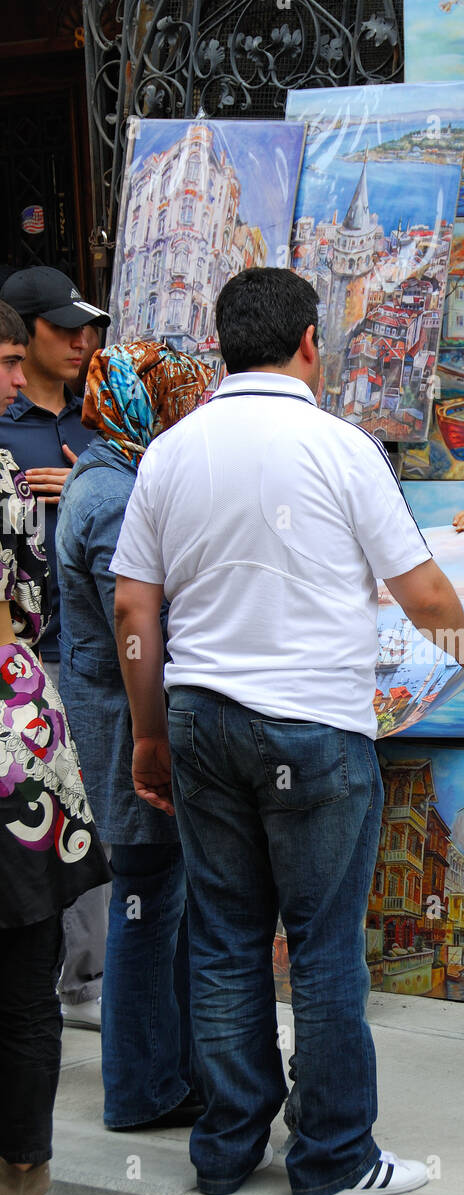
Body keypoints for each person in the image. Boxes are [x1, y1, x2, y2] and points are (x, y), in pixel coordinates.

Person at [109, 267, 464, 1195]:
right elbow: (420, 589)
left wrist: (149, 735)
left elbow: (134, 604)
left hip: (202, 719)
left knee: (225, 938)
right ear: (309, 345)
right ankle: (331, 1159)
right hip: (314, 731)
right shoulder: (341, 447)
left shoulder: (168, 454)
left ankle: (225, 1149)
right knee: (324, 948)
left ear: (221, 347)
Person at [56, 342, 210, 1130]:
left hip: (121, 718)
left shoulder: (106, 474)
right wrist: (156, 732)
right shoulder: (115, 495)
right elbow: (133, 621)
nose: (189, 418)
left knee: (156, 900)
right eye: (176, 402)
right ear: (138, 403)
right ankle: (143, 1088)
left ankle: (167, 1073)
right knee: (149, 901)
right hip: (127, 727)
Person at [0, 300, 111, 1195]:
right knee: (24, 974)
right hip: (20, 729)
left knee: (29, 971)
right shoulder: (8, 476)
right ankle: (18, 1191)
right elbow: (39, 597)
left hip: (27, 727)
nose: (14, 383)